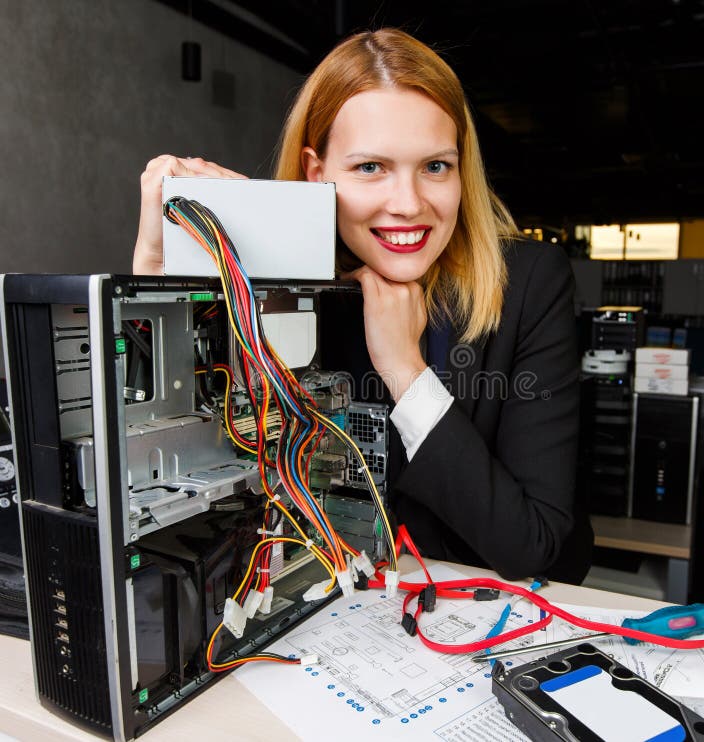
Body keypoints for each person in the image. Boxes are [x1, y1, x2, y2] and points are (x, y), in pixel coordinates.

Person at [133, 28, 593, 584]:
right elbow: (180, 501)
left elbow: (531, 545)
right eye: (371, 167)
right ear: (316, 170)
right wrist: (157, 283)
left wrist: (406, 372)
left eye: (436, 166)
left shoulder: (529, 283)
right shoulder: (269, 287)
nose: (408, 205)